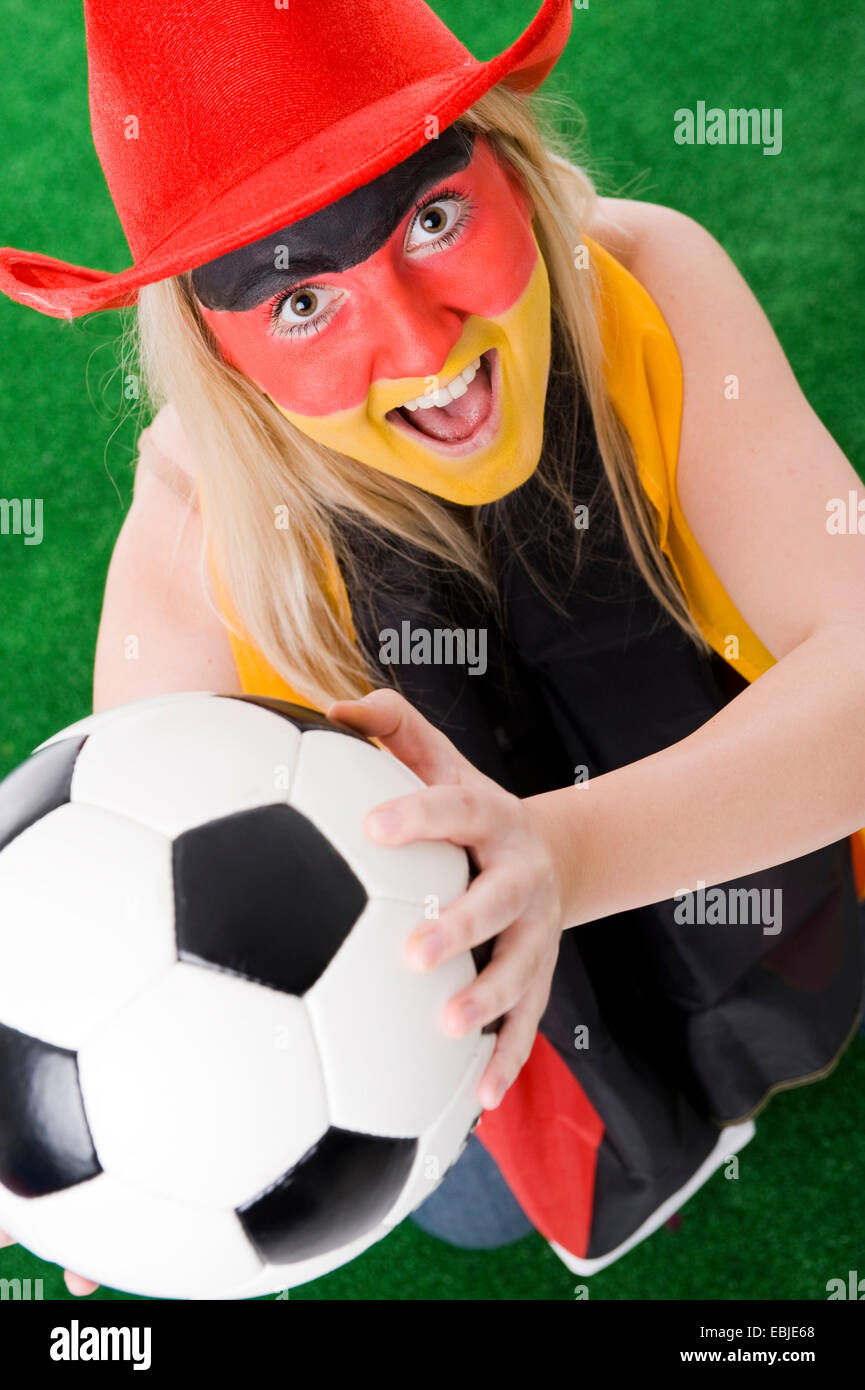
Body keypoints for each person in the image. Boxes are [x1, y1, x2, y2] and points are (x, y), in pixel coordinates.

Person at [1, 0, 864, 1297]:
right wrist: (118, 1144)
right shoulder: (197, 540)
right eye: (299, 299)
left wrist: (561, 856)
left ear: (507, 160)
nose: (420, 350)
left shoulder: (643, 291)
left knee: (799, 970)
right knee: (467, 1202)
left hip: (739, 857)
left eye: (433, 219)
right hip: (475, 1018)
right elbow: (121, 929)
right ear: (218, 356)